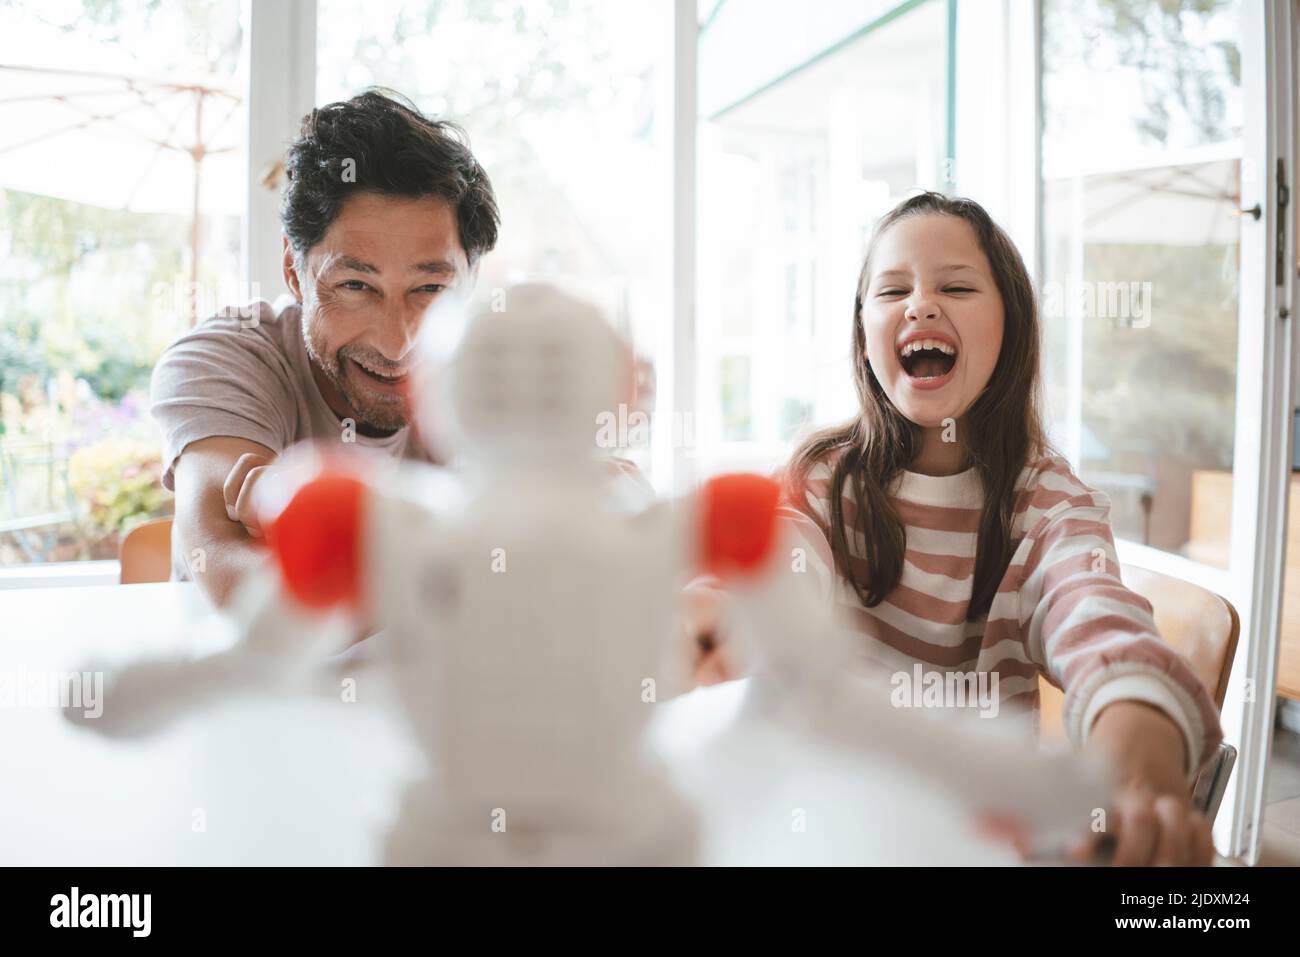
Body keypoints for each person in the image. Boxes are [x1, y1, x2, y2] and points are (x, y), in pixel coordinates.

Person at [689, 191, 1223, 866]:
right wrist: (711, 612)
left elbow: (1101, 624)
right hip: (825, 826)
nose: (919, 304)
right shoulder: (820, 476)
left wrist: (1137, 774)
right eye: (891, 290)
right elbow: (771, 567)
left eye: (958, 285)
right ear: (862, 332)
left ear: (1012, 326)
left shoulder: (1049, 503)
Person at [150, 89, 499, 606]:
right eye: (356, 286)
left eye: (430, 289)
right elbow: (234, 579)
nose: (398, 343)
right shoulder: (223, 361)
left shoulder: (492, 377)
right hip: (261, 686)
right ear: (295, 271)